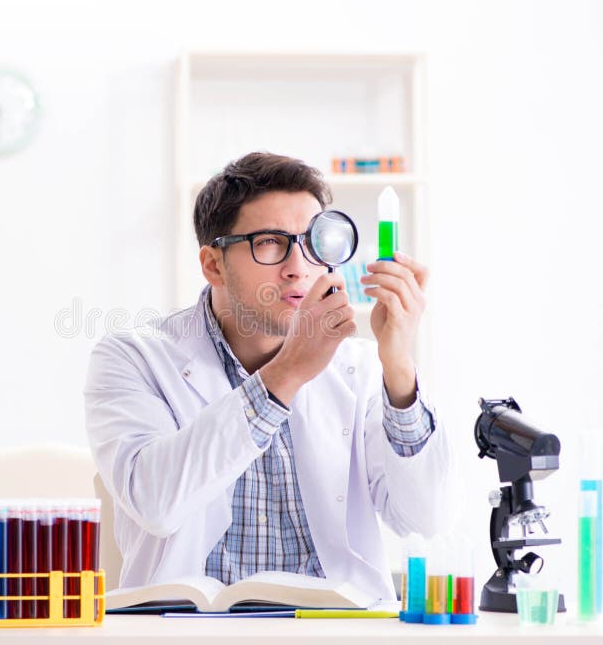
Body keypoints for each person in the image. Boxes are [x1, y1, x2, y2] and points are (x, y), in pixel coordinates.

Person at [85, 152, 452, 599]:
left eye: (313, 241)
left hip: (333, 629)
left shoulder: (361, 368)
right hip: (190, 630)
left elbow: (425, 517)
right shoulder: (132, 358)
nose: (299, 266)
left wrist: (398, 364)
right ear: (213, 264)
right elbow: (157, 502)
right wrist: (286, 375)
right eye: (271, 243)